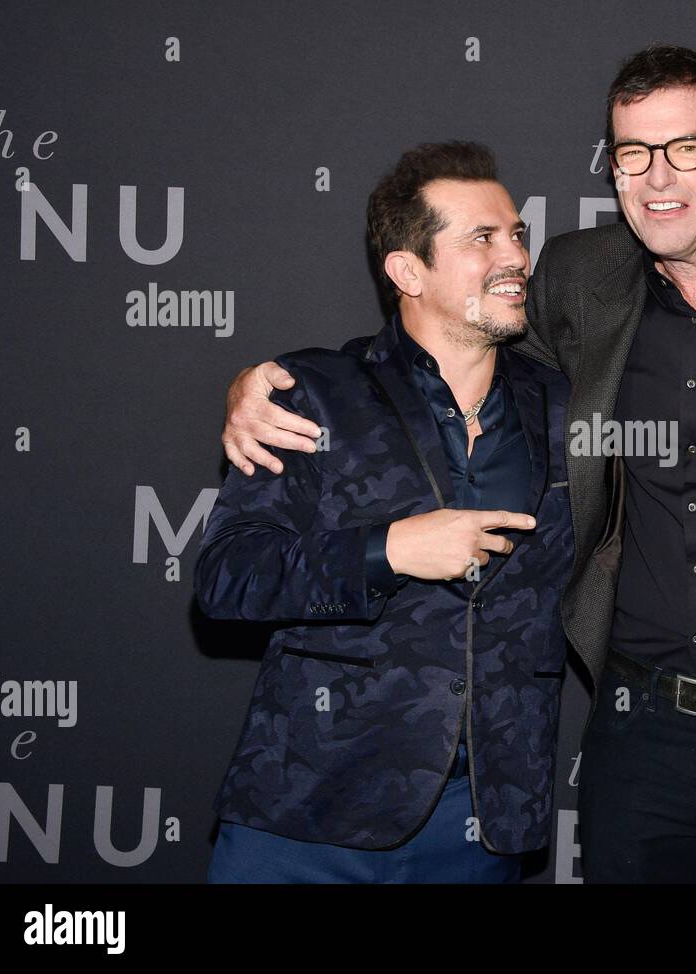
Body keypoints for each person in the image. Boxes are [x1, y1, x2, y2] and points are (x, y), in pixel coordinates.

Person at [219, 45, 696, 883]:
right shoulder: (579, 277)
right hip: (640, 735)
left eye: (685, 148)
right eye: (633, 153)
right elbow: (446, 335)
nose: (657, 177)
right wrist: (268, 384)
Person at [196, 141, 573, 883]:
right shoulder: (311, 393)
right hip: (312, 813)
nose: (515, 257)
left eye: (516, 235)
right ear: (407, 271)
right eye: (482, 239)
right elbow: (229, 576)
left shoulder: (566, 408)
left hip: (484, 826)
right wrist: (390, 549)